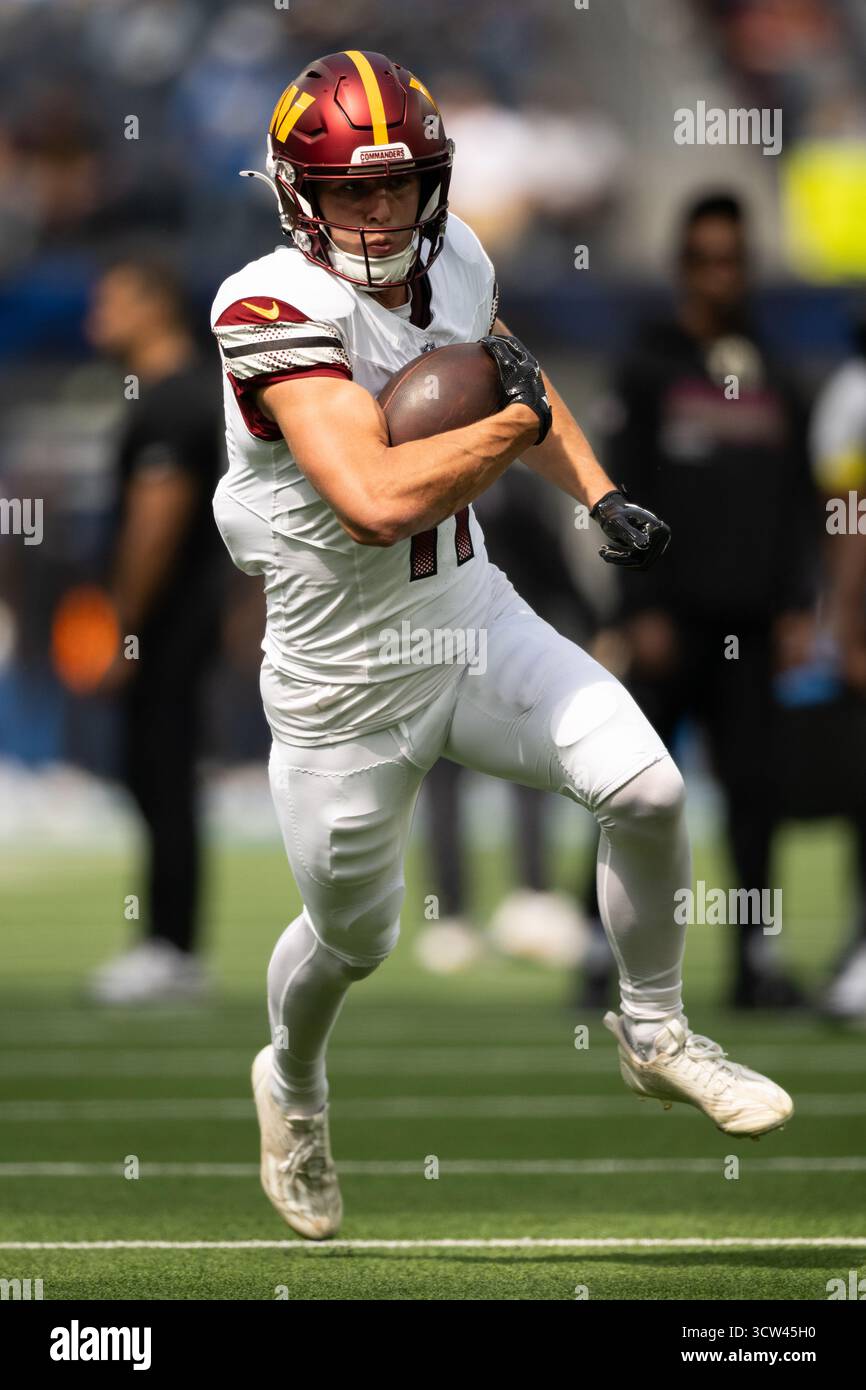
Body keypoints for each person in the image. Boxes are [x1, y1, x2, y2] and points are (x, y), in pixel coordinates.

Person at [211, 53, 794, 1241]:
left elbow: (509, 370)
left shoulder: (456, 255)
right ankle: (293, 1080)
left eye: (399, 187)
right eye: (348, 192)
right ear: (294, 192)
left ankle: (653, 1030)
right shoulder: (265, 306)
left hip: (467, 615)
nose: (378, 216)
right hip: (341, 680)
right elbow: (376, 496)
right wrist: (515, 427)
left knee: (646, 785)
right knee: (351, 940)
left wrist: (594, 490)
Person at [579, 192, 819, 1012]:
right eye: (706, 260)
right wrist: (634, 606)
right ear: (683, 267)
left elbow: (798, 500)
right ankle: (595, 953)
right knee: (627, 789)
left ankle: (756, 962)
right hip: (667, 622)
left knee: (755, 794)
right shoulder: (649, 366)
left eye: (734, 260)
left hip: (752, 626)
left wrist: (798, 603)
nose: (722, 275)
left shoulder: (778, 371)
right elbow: (616, 493)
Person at [85, 258, 225, 1004]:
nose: (94, 318)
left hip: (168, 626)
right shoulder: (184, 394)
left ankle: (170, 946)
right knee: (160, 780)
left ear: (155, 305)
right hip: (184, 621)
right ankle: (170, 944)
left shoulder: (172, 401)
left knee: (160, 778)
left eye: (110, 300)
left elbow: (155, 522)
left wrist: (122, 624)